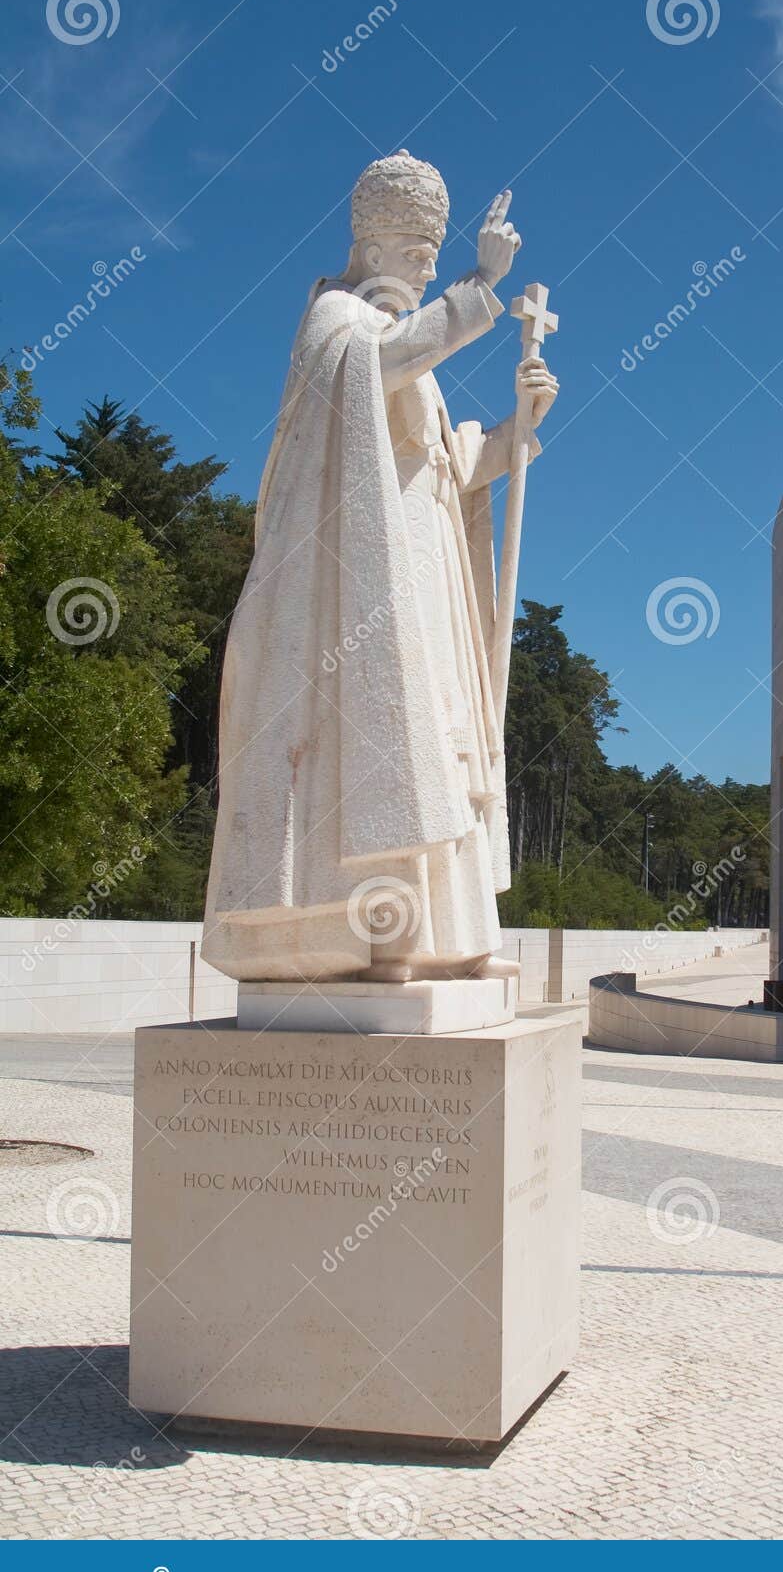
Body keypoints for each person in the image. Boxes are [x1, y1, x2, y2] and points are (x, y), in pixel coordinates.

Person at [201, 151, 558, 984]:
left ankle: (445, 937)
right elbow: (386, 362)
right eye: (413, 256)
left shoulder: (412, 363)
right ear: (370, 247)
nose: (422, 270)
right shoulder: (337, 320)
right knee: (377, 735)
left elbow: (443, 466)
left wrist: (516, 431)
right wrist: (478, 285)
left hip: (423, 564)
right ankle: (366, 935)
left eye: (432, 260)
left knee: (435, 736)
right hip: (358, 577)